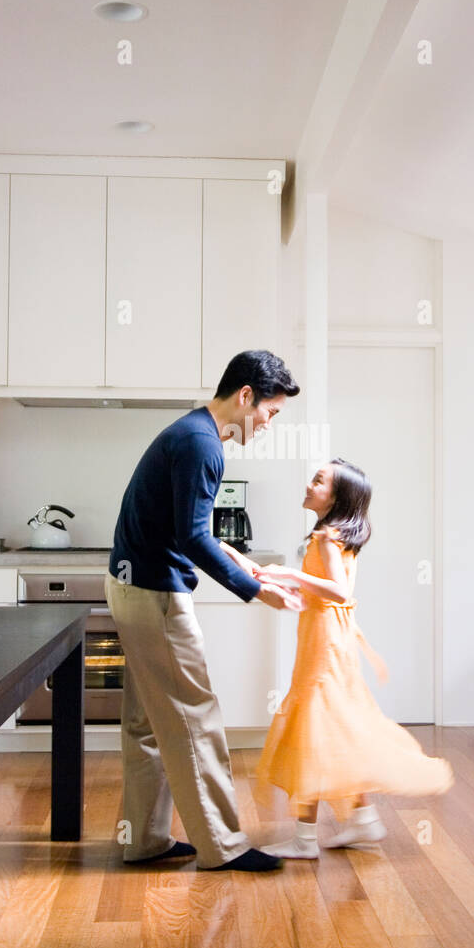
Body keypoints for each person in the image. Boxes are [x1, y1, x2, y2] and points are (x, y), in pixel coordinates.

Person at [105, 350, 303, 873]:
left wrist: (241, 559)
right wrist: (256, 590)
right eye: (270, 412)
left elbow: (184, 524)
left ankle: (145, 839)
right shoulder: (202, 445)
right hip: (155, 596)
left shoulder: (191, 432)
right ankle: (224, 846)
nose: (268, 422)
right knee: (196, 719)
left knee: (147, 723)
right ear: (245, 397)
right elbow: (192, 536)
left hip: (130, 586)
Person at [254, 457, 454, 858]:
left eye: (318, 481)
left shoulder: (326, 537)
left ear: (337, 496)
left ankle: (304, 838)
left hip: (325, 641)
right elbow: (329, 590)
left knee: (313, 727)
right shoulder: (334, 535)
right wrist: (279, 577)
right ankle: (364, 823)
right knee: (335, 724)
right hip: (331, 638)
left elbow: (340, 591)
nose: (309, 486)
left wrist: (288, 575)